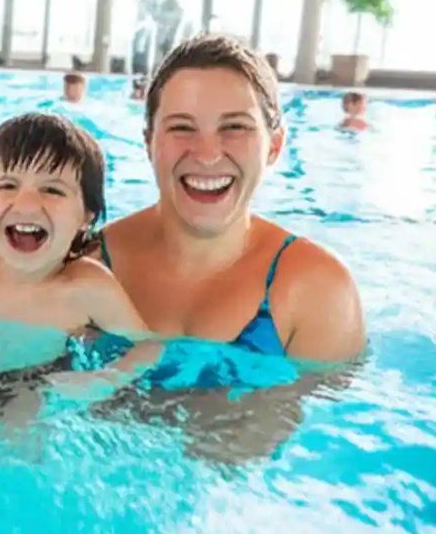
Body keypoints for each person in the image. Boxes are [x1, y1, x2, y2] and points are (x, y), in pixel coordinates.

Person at [90, 34, 365, 363]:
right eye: (181, 127)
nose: (207, 155)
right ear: (149, 143)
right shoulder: (89, 264)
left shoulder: (317, 291)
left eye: (235, 126)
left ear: (274, 146)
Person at [0, 112, 160, 430]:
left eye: (52, 190)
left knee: (22, 438)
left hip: (41, 382)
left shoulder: (88, 287)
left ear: (87, 216)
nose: (26, 205)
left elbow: (149, 346)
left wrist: (104, 378)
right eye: (8, 185)